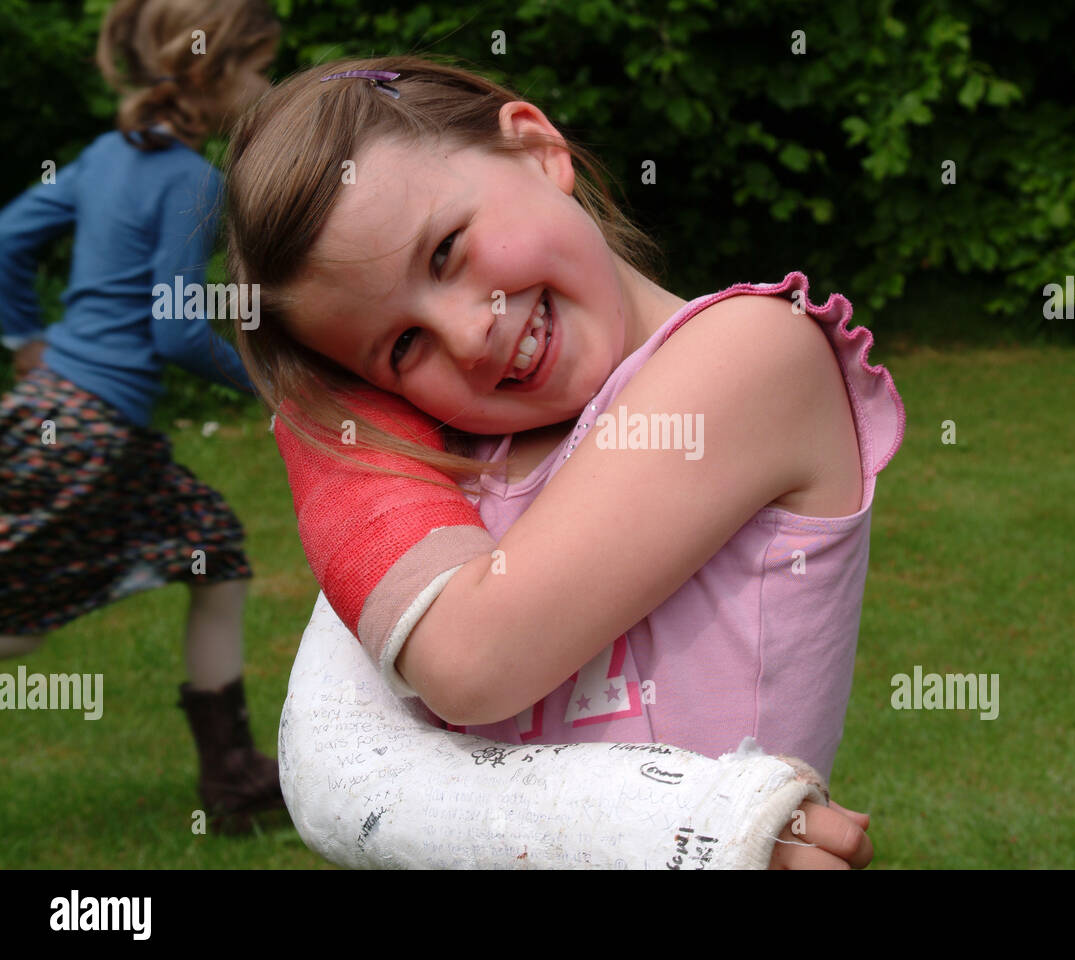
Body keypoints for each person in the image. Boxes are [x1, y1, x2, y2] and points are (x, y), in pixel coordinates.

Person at [227, 56, 905, 867]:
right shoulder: (458, 456)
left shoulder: (751, 354)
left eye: (445, 251)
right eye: (402, 346)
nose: (468, 332)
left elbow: (473, 663)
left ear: (538, 147)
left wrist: (330, 435)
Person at [0, 0, 283, 833]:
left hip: (61, 413)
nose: (266, 82)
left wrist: (26, 340)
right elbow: (178, 330)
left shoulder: (99, 157)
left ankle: (234, 781)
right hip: (93, 432)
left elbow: (6, 239)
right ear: (215, 70)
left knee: (214, 554)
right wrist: (271, 391)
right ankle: (234, 781)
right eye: (259, 64)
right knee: (14, 621)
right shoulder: (196, 180)